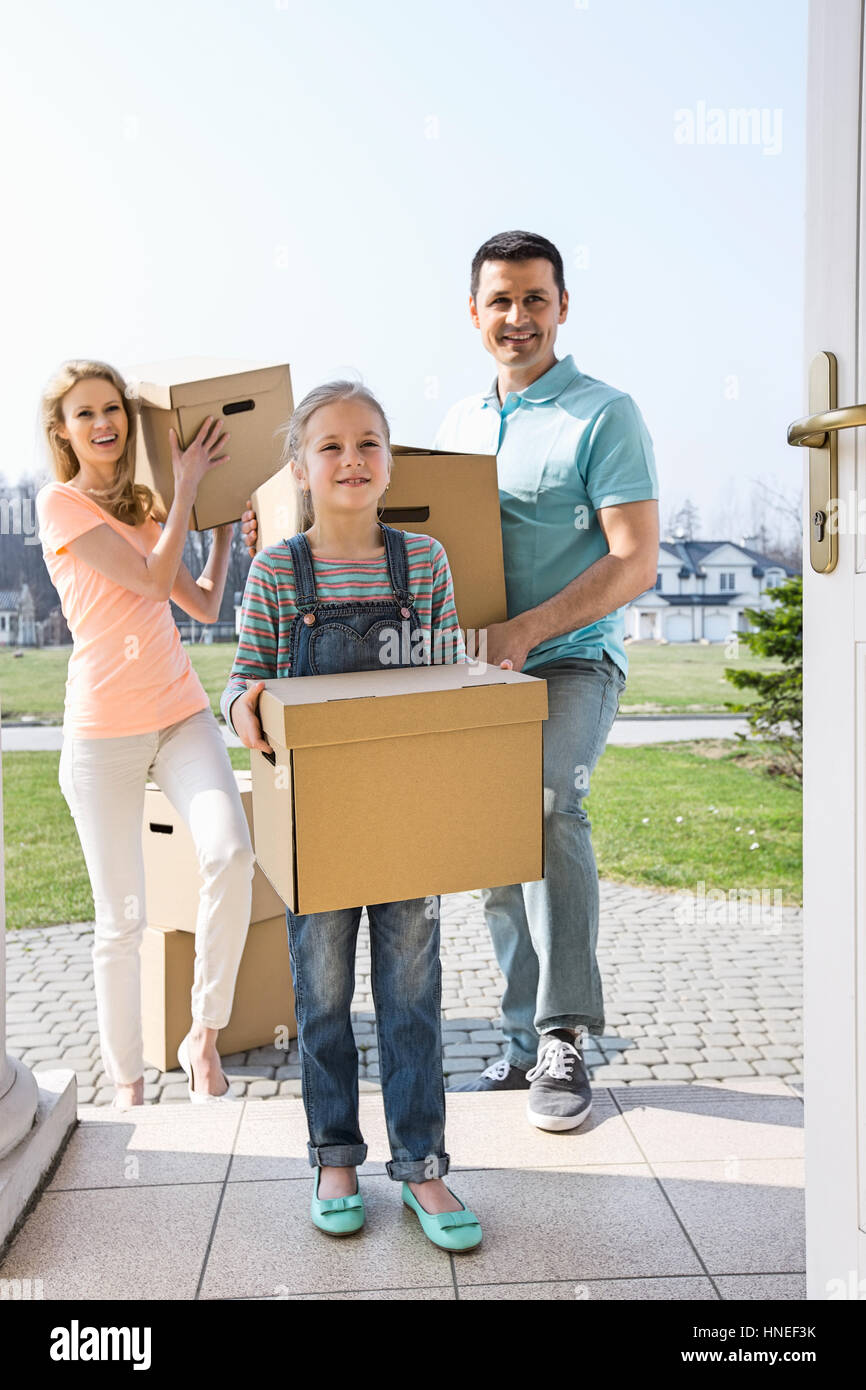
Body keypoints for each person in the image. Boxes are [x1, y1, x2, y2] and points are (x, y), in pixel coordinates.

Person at [223, 380, 483, 1251]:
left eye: (369, 442)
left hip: (403, 811)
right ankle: (336, 1156)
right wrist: (245, 711)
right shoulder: (276, 571)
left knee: (412, 993)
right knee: (323, 993)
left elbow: (446, 681)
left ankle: (424, 1167)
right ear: (299, 465)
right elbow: (240, 681)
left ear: (390, 460)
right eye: (330, 446)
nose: (351, 459)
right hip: (318, 823)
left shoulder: (426, 563)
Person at [433, 230, 659, 1130]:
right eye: (501, 301)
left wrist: (528, 628)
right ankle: (523, 1043)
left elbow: (634, 559)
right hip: (476, 668)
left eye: (535, 299)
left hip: (571, 656)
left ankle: (565, 1034)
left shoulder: (605, 414)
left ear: (563, 307)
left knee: (545, 802)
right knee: (494, 845)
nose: (517, 317)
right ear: (475, 314)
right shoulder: (453, 427)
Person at [36, 360, 255, 1110]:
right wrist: (190, 488)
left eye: (114, 411)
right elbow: (151, 583)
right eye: (86, 414)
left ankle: (202, 1034)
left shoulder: (145, 505)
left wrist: (222, 535)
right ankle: (128, 1087)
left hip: (179, 713)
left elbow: (198, 601)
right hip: (102, 735)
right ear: (63, 430)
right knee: (120, 919)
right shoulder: (59, 505)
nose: (104, 424)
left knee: (231, 852)